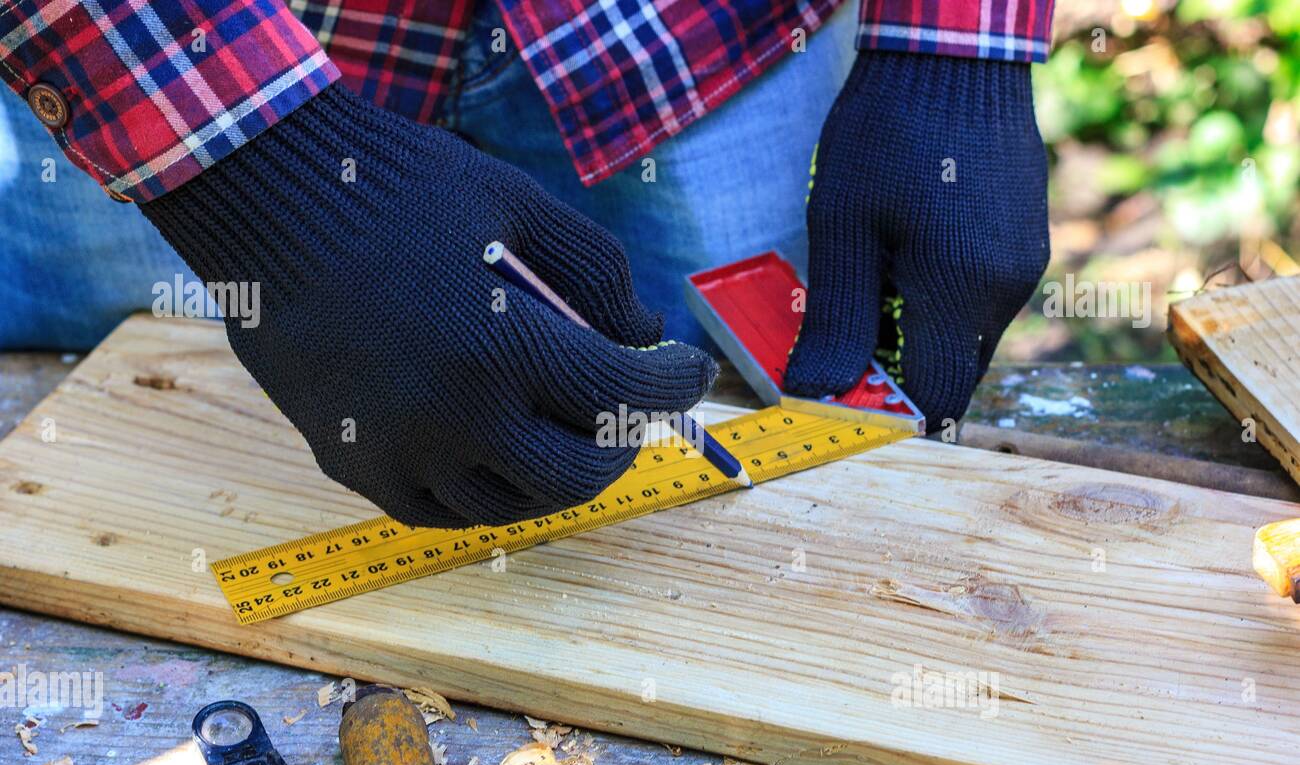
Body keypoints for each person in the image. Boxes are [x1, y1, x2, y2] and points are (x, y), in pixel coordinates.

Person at [0, 0, 1053, 529]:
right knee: (121, 446)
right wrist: (255, 175)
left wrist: (957, 49)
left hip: (694, 42)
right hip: (175, 73)